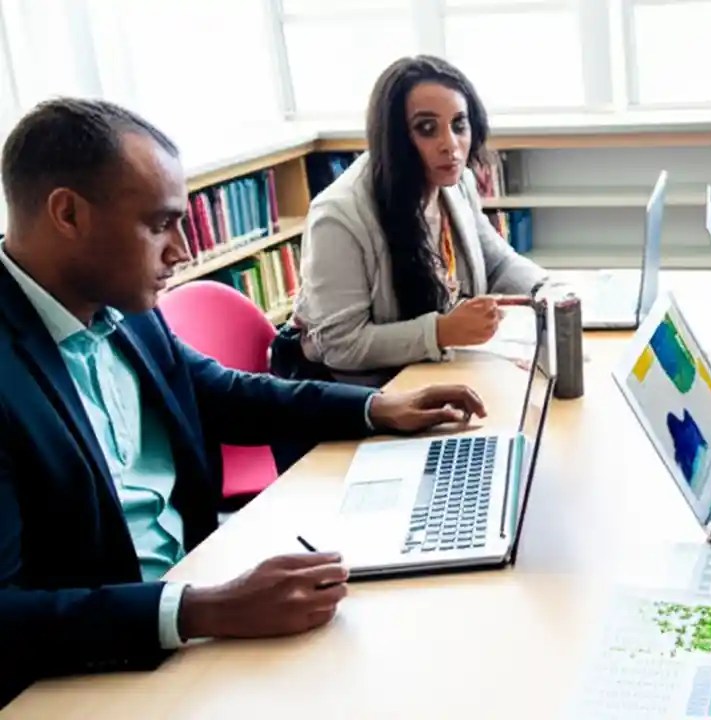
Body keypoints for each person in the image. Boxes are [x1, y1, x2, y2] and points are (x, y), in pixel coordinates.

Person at [0, 98, 492, 704]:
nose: (180, 251)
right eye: (158, 225)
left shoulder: (119, 305)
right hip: (89, 671)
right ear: (67, 214)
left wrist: (373, 410)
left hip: (194, 608)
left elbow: (222, 393)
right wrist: (204, 610)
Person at [285, 55, 548, 386]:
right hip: (369, 394)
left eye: (459, 125)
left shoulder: (457, 184)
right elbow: (340, 345)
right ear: (394, 136)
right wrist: (441, 331)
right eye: (427, 129)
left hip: (437, 372)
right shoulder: (337, 216)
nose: (450, 145)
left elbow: (497, 264)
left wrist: (547, 291)